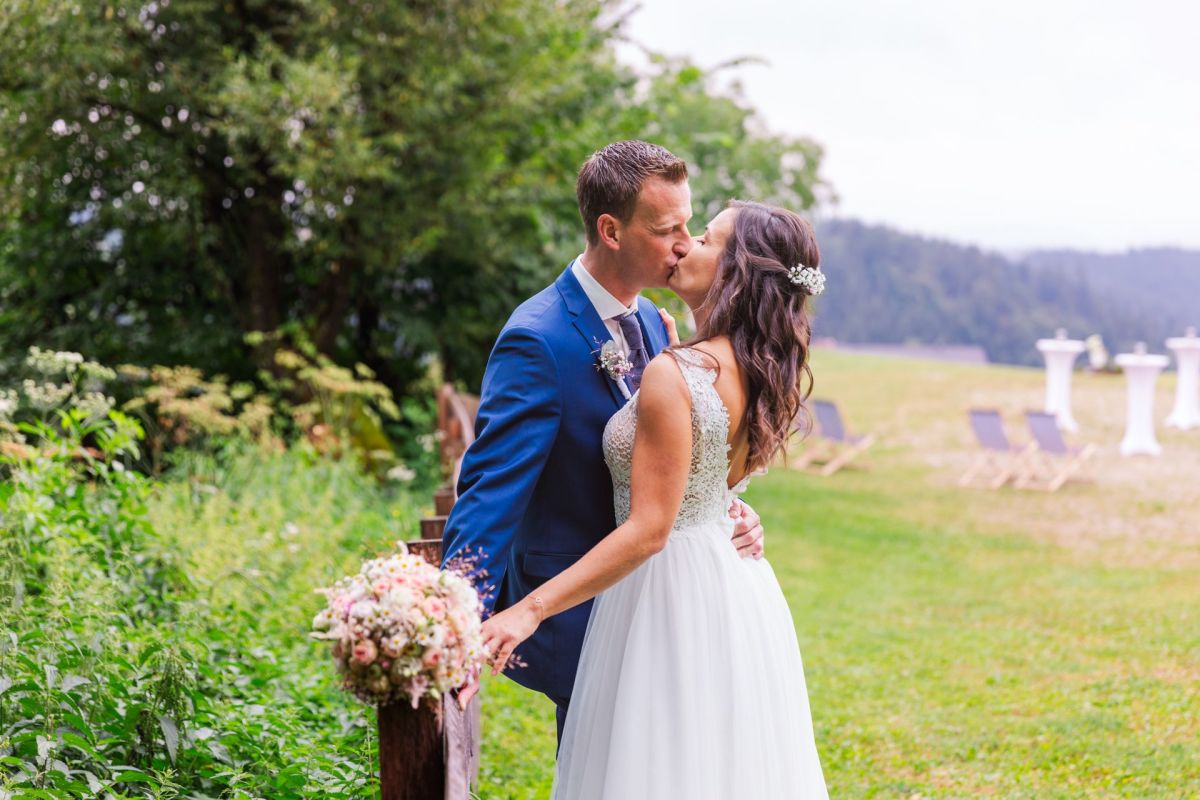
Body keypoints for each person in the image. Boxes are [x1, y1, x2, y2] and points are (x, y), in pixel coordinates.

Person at [481, 200, 829, 799]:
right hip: (733, 593)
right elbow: (708, 481)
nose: (685, 244)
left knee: (654, 767)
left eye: (707, 238)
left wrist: (528, 609)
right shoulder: (753, 366)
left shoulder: (679, 371)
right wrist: (731, 512)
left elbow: (650, 529)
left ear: (737, 271)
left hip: (663, 596)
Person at [440, 141, 766, 740]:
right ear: (611, 230)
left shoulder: (648, 321)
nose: (685, 243)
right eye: (668, 228)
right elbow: (489, 492)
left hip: (665, 602)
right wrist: (453, 621)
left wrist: (726, 511)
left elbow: (669, 459)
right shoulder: (538, 341)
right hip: (581, 613)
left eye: (690, 225)